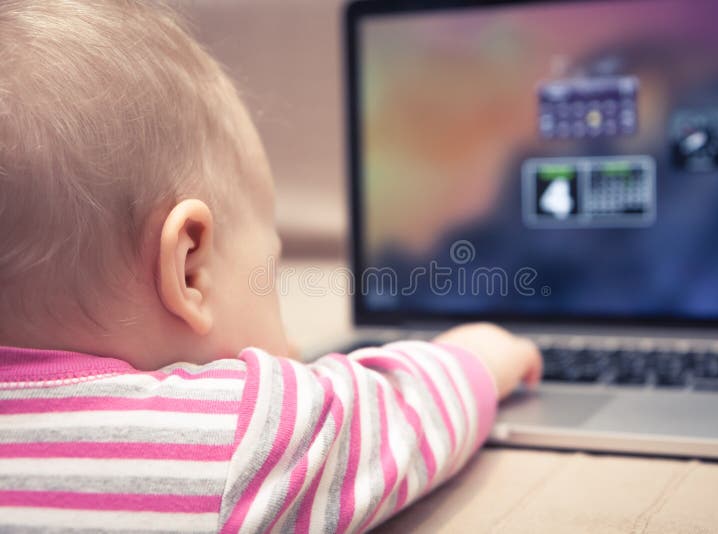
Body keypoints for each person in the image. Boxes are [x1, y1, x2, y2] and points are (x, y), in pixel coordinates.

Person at [0, 1, 541, 531]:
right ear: (189, 270)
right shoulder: (234, 437)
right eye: (270, 270)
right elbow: (398, 413)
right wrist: (483, 355)